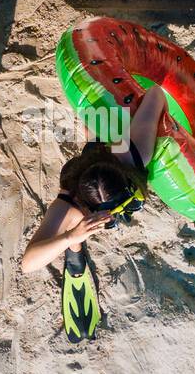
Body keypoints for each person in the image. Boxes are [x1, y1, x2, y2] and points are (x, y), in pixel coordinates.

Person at [20, 85, 170, 342]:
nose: (113, 216)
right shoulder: (70, 204)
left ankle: (78, 241)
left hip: (113, 143)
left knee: (111, 111)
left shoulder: (133, 153)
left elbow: (157, 93)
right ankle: (75, 257)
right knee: (100, 122)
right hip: (94, 158)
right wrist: (70, 236)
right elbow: (27, 265)